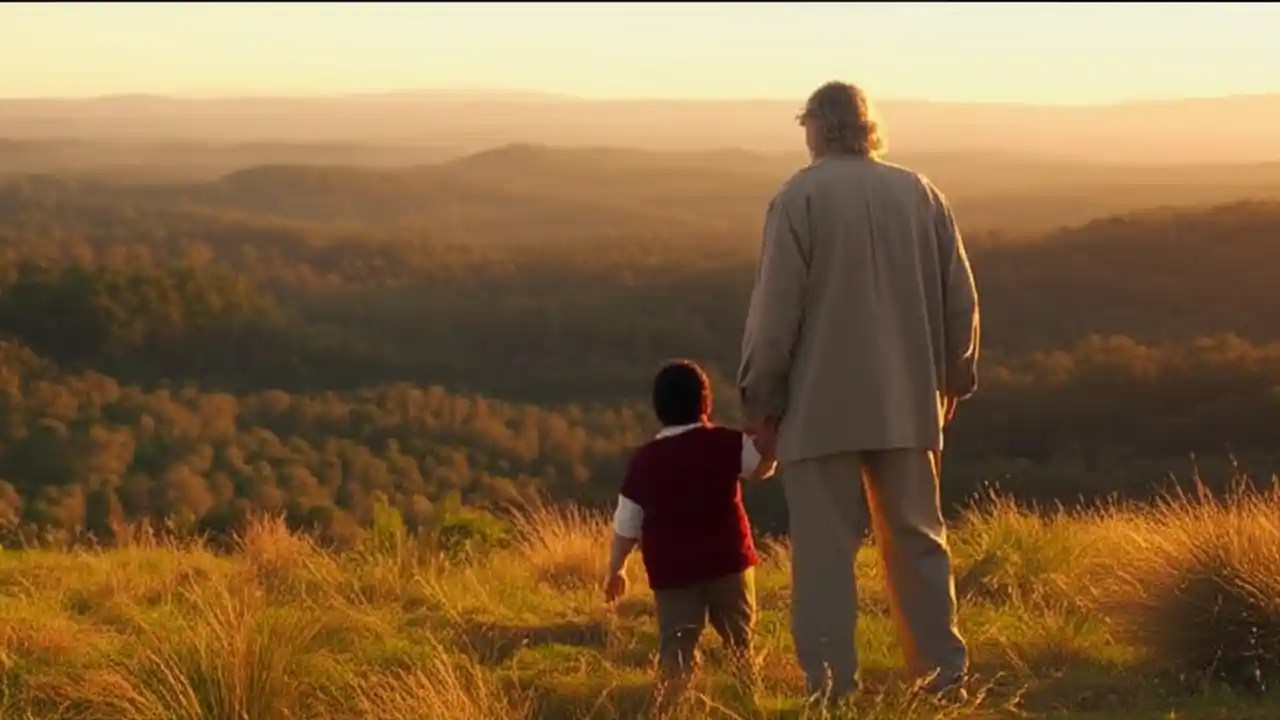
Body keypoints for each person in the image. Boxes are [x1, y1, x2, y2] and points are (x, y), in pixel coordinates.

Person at [737, 80, 980, 703]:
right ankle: (943, 682)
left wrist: (761, 403)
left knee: (823, 555)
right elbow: (961, 302)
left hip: (817, 410)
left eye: (806, 126)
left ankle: (829, 691)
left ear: (820, 127)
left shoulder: (799, 197)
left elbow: (773, 318)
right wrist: (954, 379)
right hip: (907, 402)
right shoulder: (921, 194)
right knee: (919, 544)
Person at [603, 359, 776, 694]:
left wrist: (617, 569)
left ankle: (674, 707)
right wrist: (767, 440)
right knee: (741, 643)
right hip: (730, 564)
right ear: (706, 403)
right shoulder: (727, 442)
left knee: (676, 653)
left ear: (658, 409)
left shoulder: (644, 461)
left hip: (674, 574)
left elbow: (627, 524)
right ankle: (747, 703)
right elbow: (761, 469)